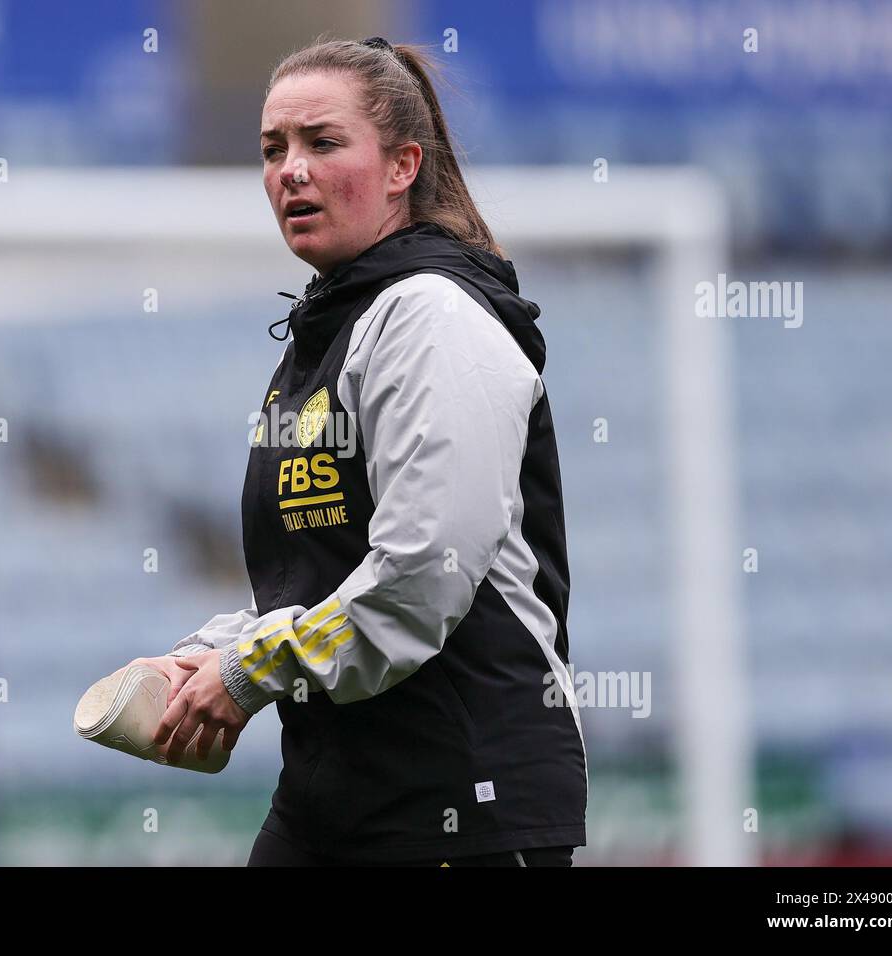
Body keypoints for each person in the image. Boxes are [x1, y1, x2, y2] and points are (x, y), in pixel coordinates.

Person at [133, 36, 586, 867]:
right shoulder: (327, 330)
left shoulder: (433, 319)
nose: (290, 170)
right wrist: (218, 649)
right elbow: (331, 579)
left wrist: (248, 671)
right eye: (273, 149)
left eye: (322, 142)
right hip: (330, 792)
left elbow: (418, 578)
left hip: (460, 797)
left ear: (404, 166)